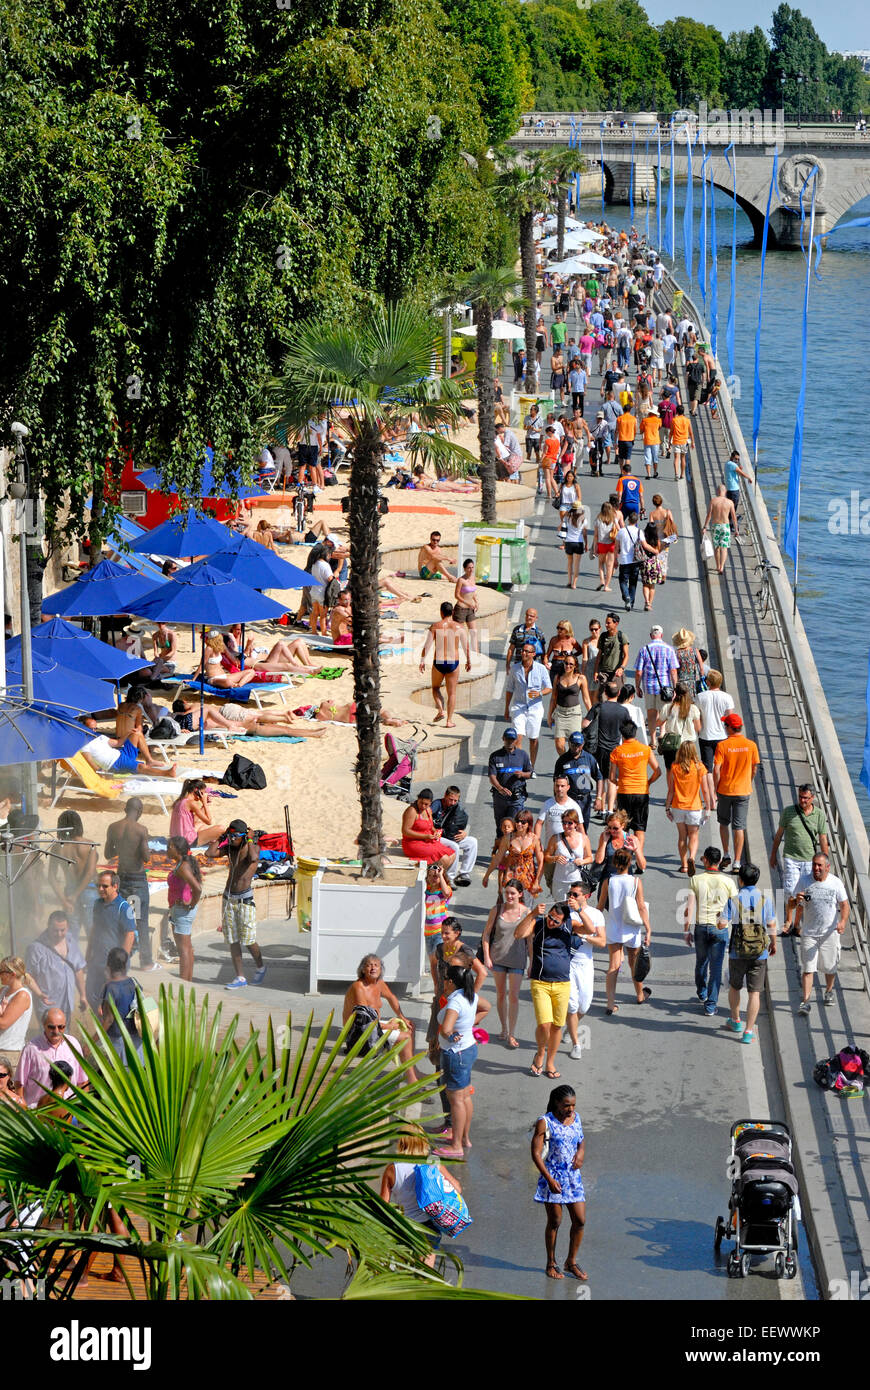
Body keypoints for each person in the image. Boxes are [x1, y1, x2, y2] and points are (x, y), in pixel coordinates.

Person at [515, 901, 581, 1079]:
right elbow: (518, 934)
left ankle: (550, 1062)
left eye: (556, 920)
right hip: (540, 982)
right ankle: (540, 1054)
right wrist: (532, 914)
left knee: (557, 1026)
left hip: (562, 984)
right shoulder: (538, 924)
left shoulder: (569, 925)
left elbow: (590, 930)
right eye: (550, 917)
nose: (551, 922)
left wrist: (580, 910)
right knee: (545, 1025)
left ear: (564, 921)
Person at [379, 1129, 462, 1267]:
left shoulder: (392, 1169)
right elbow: (457, 1189)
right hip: (428, 1225)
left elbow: (383, 1205)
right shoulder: (432, 1163)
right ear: (423, 1141)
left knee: (403, 1267)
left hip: (404, 1225)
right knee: (425, 1271)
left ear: (401, 1142)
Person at [531, 1084, 588, 1281]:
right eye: (566, 1105)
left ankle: (571, 1262)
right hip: (552, 1177)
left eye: (572, 1105)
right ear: (556, 1103)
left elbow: (581, 1140)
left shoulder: (576, 1118)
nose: (570, 1109)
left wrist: (580, 1153)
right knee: (555, 1221)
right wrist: (549, 1179)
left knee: (580, 1220)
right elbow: (536, 1154)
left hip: (573, 1178)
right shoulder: (545, 1122)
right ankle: (551, 1262)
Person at [434, 963, 489, 1159]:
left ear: (450, 982)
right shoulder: (470, 995)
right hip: (468, 1049)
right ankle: (464, 1138)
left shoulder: (455, 1002)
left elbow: (446, 1028)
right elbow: (487, 1007)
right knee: (465, 1096)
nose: (444, 982)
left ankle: (456, 1145)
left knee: (456, 1100)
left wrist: (450, 1035)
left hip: (455, 1055)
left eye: (445, 979)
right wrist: (468, 1025)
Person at [205, 820, 266, 990]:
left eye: (234, 836)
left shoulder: (252, 848)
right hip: (228, 898)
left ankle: (261, 966)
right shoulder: (230, 849)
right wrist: (222, 837)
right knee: (233, 939)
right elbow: (209, 853)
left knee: (248, 940)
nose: (232, 839)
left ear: (244, 836)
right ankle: (240, 977)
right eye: (230, 836)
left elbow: (254, 858)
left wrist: (249, 839)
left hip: (245, 900)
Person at [789, 854, 849, 1014]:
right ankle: (805, 1002)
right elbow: (793, 903)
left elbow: (844, 904)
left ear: (827, 867)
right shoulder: (804, 880)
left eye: (819, 866)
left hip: (829, 933)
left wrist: (842, 921)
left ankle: (829, 992)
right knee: (808, 969)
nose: (816, 868)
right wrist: (796, 901)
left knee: (830, 967)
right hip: (809, 933)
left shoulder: (836, 883)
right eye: (814, 865)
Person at [724, 864, 777, 1045]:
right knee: (755, 993)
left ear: (740, 880)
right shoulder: (764, 900)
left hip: (737, 952)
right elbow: (771, 925)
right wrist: (773, 944)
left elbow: (722, 923)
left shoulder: (734, 900)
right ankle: (748, 1031)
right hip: (759, 953)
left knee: (735, 986)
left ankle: (735, 1020)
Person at [683, 847, 738, 1015]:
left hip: (701, 927)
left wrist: (686, 930)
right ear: (720, 862)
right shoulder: (729, 881)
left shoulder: (696, 879)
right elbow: (735, 908)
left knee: (701, 962)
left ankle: (702, 992)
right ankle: (711, 1005)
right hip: (719, 929)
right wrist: (726, 920)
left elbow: (689, 908)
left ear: (705, 860)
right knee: (716, 968)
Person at [104, 798, 157, 972]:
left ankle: (116, 958)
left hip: (121, 879)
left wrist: (122, 848)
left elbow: (108, 853)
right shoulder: (141, 830)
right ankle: (146, 962)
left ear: (125, 809)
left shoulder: (113, 827)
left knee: (120, 918)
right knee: (141, 921)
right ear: (140, 811)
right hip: (137, 881)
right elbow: (146, 857)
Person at [770, 785, 830, 927]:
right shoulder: (788, 812)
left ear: (812, 798)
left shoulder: (819, 815)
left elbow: (823, 838)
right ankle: (788, 921)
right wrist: (773, 854)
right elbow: (779, 835)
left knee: (804, 893)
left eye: (806, 798)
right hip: (791, 857)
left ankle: (797, 924)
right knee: (790, 891)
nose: (802, 800)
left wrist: (825, 863)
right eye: (800, 797)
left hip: (810, 860)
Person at [601, 847, 652, 1013]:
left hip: (614, 927)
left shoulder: (608, 881)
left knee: (613, 966)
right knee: (634, 963)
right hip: (632, 928)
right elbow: (641, 906)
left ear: (615, 863)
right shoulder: (636, 882)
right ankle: (639, 994)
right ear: (629, 862)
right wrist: (648, 929)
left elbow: (600, 906)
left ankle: (610, 1003)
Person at [482, 879, 530, 1049]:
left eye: (512, 893)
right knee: (501, 994)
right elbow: (486, 934)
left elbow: (530, 940)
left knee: (514, 996)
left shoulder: (526, 912)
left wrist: (531, 963)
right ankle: (503, 1029)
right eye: (506, 893)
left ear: (520, 894)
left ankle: (512, 1033)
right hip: (498, 957)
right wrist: (487, 957)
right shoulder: (496, 910)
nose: (509, 896)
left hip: (517, 958)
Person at [565, 878, 606, 1057]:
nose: (571, 897)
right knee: (572, 1006)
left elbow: (602, 941)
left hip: (585, 964)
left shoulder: (596, 914)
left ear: (586, 896)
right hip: (567, 963)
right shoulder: (565, 911)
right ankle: (576, 1044)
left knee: (584, 1006)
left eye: (575, 894)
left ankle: (570, 1026)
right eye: (569, 894)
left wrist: (585, 938)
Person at [714, 712, 760, 872]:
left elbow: (716, 769)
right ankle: (737, 861)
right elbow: (754, 768)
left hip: (725, 790)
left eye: (725, 725)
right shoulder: (751, 745)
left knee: (723, 823)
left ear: (729, 728)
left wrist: (716, 787)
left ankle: (726, 853)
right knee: (739, 826)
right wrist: (748, 781)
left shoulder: (722, 746)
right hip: (743, 790)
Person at [85, 871, 137, 1011]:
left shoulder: (124, 907)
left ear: (115, 886)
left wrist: (121, 962)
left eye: (104, 886)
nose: (100, 889)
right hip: (97, 960)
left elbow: (130, 935)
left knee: (110, 1001)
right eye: (98, 885)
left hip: (113, 965)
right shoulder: (97, 904)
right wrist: (88, 953)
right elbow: (94, 928)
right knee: (90, 994)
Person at [15, 1009, 87, 1108]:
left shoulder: (73, 1045)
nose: (56, 1031)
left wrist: (82, 1108)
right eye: (52, 1027)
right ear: (43, 1024)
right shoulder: (31, 1048)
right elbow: (19, 1083)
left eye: (61, 1027)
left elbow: (82, 1081)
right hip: (38, 1112)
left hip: (68, 1111)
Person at [608, 719, 661, 852]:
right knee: (639, 828)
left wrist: (620, 783)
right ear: (635, 733)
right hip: (641, 792)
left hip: (624, 792)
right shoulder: (645, 749)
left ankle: (624, 855)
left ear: (622, 734)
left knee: (623, 826)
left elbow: (612, 777)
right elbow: (658, 771)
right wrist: (647, 782)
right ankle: (639, 857)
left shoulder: (617, 751)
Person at [25, 912, 88, 1022]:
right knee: (49, 1036)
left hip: (67, 1001)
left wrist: (82, 995)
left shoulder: (71, 941)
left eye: (62, 930)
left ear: (67, 927)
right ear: (48, 926)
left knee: (65, 1034)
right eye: (55, 930)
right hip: (47, 1004)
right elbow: (27, 975)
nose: (59, 934)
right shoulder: (35, 948)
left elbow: (78, 969)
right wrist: (39, 994)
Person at [419, 602, 471, 729]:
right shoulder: (459, 627)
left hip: (439, 662)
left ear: (441, 612)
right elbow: (466, 647)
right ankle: (449, 720)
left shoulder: (435, 626)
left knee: (435, 688)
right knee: (452, 693)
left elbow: (427, 645)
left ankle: (441, 710)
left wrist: (422, 660)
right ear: (452, 612)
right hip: (453, 663)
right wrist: (469, 660)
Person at [78, 718, 179, 779]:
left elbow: (118, 743)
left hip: (121, 754)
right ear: (82, 728)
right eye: (91, 728)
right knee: (140, 766)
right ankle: (167, 773)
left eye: (95, 728)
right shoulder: (84, 745)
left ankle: (150, 761)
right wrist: (101, 774)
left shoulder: (99, 737)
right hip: (115, 764)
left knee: (137, 734)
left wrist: (129, 732)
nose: (94, 730)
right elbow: (90, 763)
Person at [504, 642, 552, 771]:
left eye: (527, 651)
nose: (523, 653)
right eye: (522, 651)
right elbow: (509, 689)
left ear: (533, 654)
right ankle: (520, 765)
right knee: (517, 737)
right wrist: (506, 708)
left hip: (535, 708)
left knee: (533, 739)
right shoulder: (515, 669)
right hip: (519, 706)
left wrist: (540, 693)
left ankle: (532, 767)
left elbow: (549, 687)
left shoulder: (541, 669)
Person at [53, 810, 99, 944]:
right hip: (89, 891)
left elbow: (52, 877)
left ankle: (72, 964)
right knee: (92, 933)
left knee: (71, 936)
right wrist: (75, 895)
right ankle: (93, 964)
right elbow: (90, 873)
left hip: (69, 891)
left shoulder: (57, 847)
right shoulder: (89, 844)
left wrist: (64, 899)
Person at [666, 742, 712, 872]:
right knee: (693, 835)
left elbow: (671, 790)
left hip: (678, 806)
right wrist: (708, 808)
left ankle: (684, 865)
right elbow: (705, 790)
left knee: (682, 836)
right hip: (694, 807)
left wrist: (667, 808)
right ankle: (692, 857)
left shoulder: (675, 767)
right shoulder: (699, 767)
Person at [695, 670, 734, 809]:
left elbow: (697, 716)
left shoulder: (700, 697)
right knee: (720, 766)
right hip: (722, 736)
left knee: (707, 769)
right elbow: (729, 718)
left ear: (708, 682)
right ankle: (719, 792)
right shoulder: (727, 697)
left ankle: (712, 799)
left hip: (705, 735)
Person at [482, 812, 542, 902]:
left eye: (523, 822)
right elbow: (497, 858)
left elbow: (541, 861)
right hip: (511, 878)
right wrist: (487, 876)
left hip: (528, 879)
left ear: (529, 824)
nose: (519, 824)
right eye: (517, 821)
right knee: (512, 907)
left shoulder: (534, 839)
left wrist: (537, 881)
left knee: (526, 910)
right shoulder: (508, 838)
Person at [634, 624, 678, 744]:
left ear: (650, 635)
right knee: (663, 712)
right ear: (662, 635)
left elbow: (638, 671)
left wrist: (637, 686)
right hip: (664, 687)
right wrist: (675, 688)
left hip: (648, 687)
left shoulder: (644, 649)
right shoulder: (669, 649)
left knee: (651, 713)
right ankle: (662, 734)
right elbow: (673, 671)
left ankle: (652, 740)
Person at [167, 836, 202, 983]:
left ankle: (183, 983)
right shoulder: (183, 863)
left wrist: (190, 904)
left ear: (177, 849)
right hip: (181, 911)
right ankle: (187, 981)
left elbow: (197, 888)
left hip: (182, 912)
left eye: (170, 847)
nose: (167, 850)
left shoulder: (182, 867)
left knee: (183, 950)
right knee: (187, 948)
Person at [100, 948, 143, 1063]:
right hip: (137, 1039)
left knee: (121, 1074)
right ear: (126, 965)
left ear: (108, 964)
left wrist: (91, 1043)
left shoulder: (110, 988)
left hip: (120, 1042)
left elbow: (108, 1019)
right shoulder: (134, 982)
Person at [487, 727, 533, 833]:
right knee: (501, 827)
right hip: (500, 798)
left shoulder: (523, 755)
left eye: (512, 739)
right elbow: (492, 776)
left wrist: (522, 774)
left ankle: (512, 848)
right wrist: (500, 788)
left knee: (514, 826)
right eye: (507, 739)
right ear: (503, 738)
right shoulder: (495, 756)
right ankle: (500, 847)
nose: (509, 742)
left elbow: (531, 773)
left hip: (516, 798)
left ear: (516, 740)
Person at [431, 786, 477, 887]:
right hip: (438, 836)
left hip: (451, 835)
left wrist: (464, 833)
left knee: (472, 842)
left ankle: (464, 873)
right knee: (454, 847)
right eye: (450, 799)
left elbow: (460, 821)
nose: (452, 802)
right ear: (445, 796)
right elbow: (427, 815)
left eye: (455, 800)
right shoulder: (437, 804)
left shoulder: (457, 807)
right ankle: (450, 877)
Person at [554, 731, 600, 830]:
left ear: (582, 744)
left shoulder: (589, 758)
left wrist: (599, 798)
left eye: (578, 745)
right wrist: (557, 799)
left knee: (583, 829)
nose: (576, 747)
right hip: (569, 800)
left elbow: (599, 778)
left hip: (585, 800)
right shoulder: (562, 760)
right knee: (567, 829)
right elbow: (556, 781)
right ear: (569, 743)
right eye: (573, 744)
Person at [545, 810, 593, 903]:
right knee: (561, 910)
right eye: (564, 822)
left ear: (576, 824)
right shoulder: (555, 838)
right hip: (560, 882)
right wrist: (555, 858)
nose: (566, 826)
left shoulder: (583, 838)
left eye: (569, 823)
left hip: (577, 881)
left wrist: (582, 861)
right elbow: (546, 857)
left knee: (576, 909)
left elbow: (590, 858)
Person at [401, 789, 456, 870]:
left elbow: (430, 827)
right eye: (421, 803)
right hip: (413, 843)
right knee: (445, 860)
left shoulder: (428, 810)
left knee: (452, 855)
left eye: (426, 804)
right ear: (418, 799)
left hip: (427, 841)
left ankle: (437, 876)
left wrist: (435, 832)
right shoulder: (412, 811)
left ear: (430, 803)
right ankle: (433, 877)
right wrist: (425, 836)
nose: (423, 806)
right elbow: (405, 831)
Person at [548, 653, 589, 752]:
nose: (568, 666)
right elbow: (553, 698)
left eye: (571, 664)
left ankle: (573, 763)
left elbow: (586, 699)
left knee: (575, 744)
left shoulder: (581, 678)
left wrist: (591, 716)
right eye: (566, 663)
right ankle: (566, 763)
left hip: (574, 714)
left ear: (575, 666)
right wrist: (549, 715)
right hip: (560, 713)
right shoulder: (558, 677)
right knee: (559, 744)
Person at [170, 778, 226, 848]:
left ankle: (210, 840)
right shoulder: (191, 803)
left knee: (201, 825)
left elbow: (193, 821)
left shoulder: (180, 801)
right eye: (202, 792)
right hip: (186, 842)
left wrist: (204, 805)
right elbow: (209, 821)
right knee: (221, 828)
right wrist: (205, 803)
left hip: (175, 839)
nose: (203, 795)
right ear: (196, 790)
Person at [0, 959, 35, 1069]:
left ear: (12, 974)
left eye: (1, 971)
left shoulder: (22, 995)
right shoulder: (3, 990)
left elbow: (3, 1023)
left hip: (9, 1052)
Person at [659, 683, 701, 768]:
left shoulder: (667, 707)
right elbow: (698, 728)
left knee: (670, 769)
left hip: (672, 743)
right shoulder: (693, 708)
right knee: (687, 769)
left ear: (674, 693)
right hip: (688, 744)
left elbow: (659, 722)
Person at [702, 487, 738, 575]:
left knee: (717, 547)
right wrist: (736, 529)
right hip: (725, 526)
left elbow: (709, 515)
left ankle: (717, 566)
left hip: (716, 526)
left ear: (718, 491)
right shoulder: (730, 502)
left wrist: (705, 527)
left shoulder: (714, 501)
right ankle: (722, 567)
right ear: (725, 491)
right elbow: (734, 517)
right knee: (724, 548)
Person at [593, 612, 629, 691]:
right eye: (606, 623)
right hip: (604, 673)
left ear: (616, 623)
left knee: (617, 697)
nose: (606, 625)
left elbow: (626, 655)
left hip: (616, 674)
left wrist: (621, 668)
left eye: (608, 623)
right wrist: (596, 671)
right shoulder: (603, 636)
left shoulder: (621, 636)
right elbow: (599, 655)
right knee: (602, 697)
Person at [615, 509, 641, 612]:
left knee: (623, 580)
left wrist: (615, 560)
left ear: (628, 520)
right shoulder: (639, 532)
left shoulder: (621, 531)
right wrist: (655, 551)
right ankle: (631, 602)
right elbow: (644, 545)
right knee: (633, 582)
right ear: (636, 521)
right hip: (635, 561)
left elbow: (616, 547)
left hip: (624, 560)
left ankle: (626, 596)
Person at [452, 560, 479, 654]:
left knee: (474, 632)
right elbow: (457, 595)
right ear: (464, 569)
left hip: (470, 609)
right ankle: (462, 654)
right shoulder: (461, 580)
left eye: (472, 567)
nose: (471, 570)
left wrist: (476, 602)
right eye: (469, 568)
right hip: (461, 609)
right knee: (460, 633)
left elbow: (473, 592)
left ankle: (476, 654)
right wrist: (468, 603)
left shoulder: (473, 578)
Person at [724, 449, 752, 536]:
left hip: (730, 490)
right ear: (732, 457)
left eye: (738, 459)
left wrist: (738, 467)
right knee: (733, 508)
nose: (737, 460)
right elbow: (741, 473)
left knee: (730, 508)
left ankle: (729, 523)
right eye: (736, 459)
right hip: (733, 490)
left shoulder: (728, 464)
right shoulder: (732, 464)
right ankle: (731, 525)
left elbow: (736, 472)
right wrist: (749, 478)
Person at [593, 503, 618, 591]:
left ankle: (602, 581)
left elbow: (596, 535)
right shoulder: (614, 519)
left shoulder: (598, 520)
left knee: (600, 564)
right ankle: (607, 586)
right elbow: (619, 530)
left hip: (601, 544)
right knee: (610, 565)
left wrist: (595, 546)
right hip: (611, 544)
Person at [669, 406, 694, 480]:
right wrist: (692, 442)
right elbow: (691, 433)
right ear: (683, 412)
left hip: (676, 441)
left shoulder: (674, 420)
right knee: (683, 458)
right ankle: (682, 474)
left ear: (677, 412)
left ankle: (676, 473)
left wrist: (669, 442)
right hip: (684, 441)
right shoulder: (687, 420)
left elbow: (671, 432)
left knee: (676, 458)